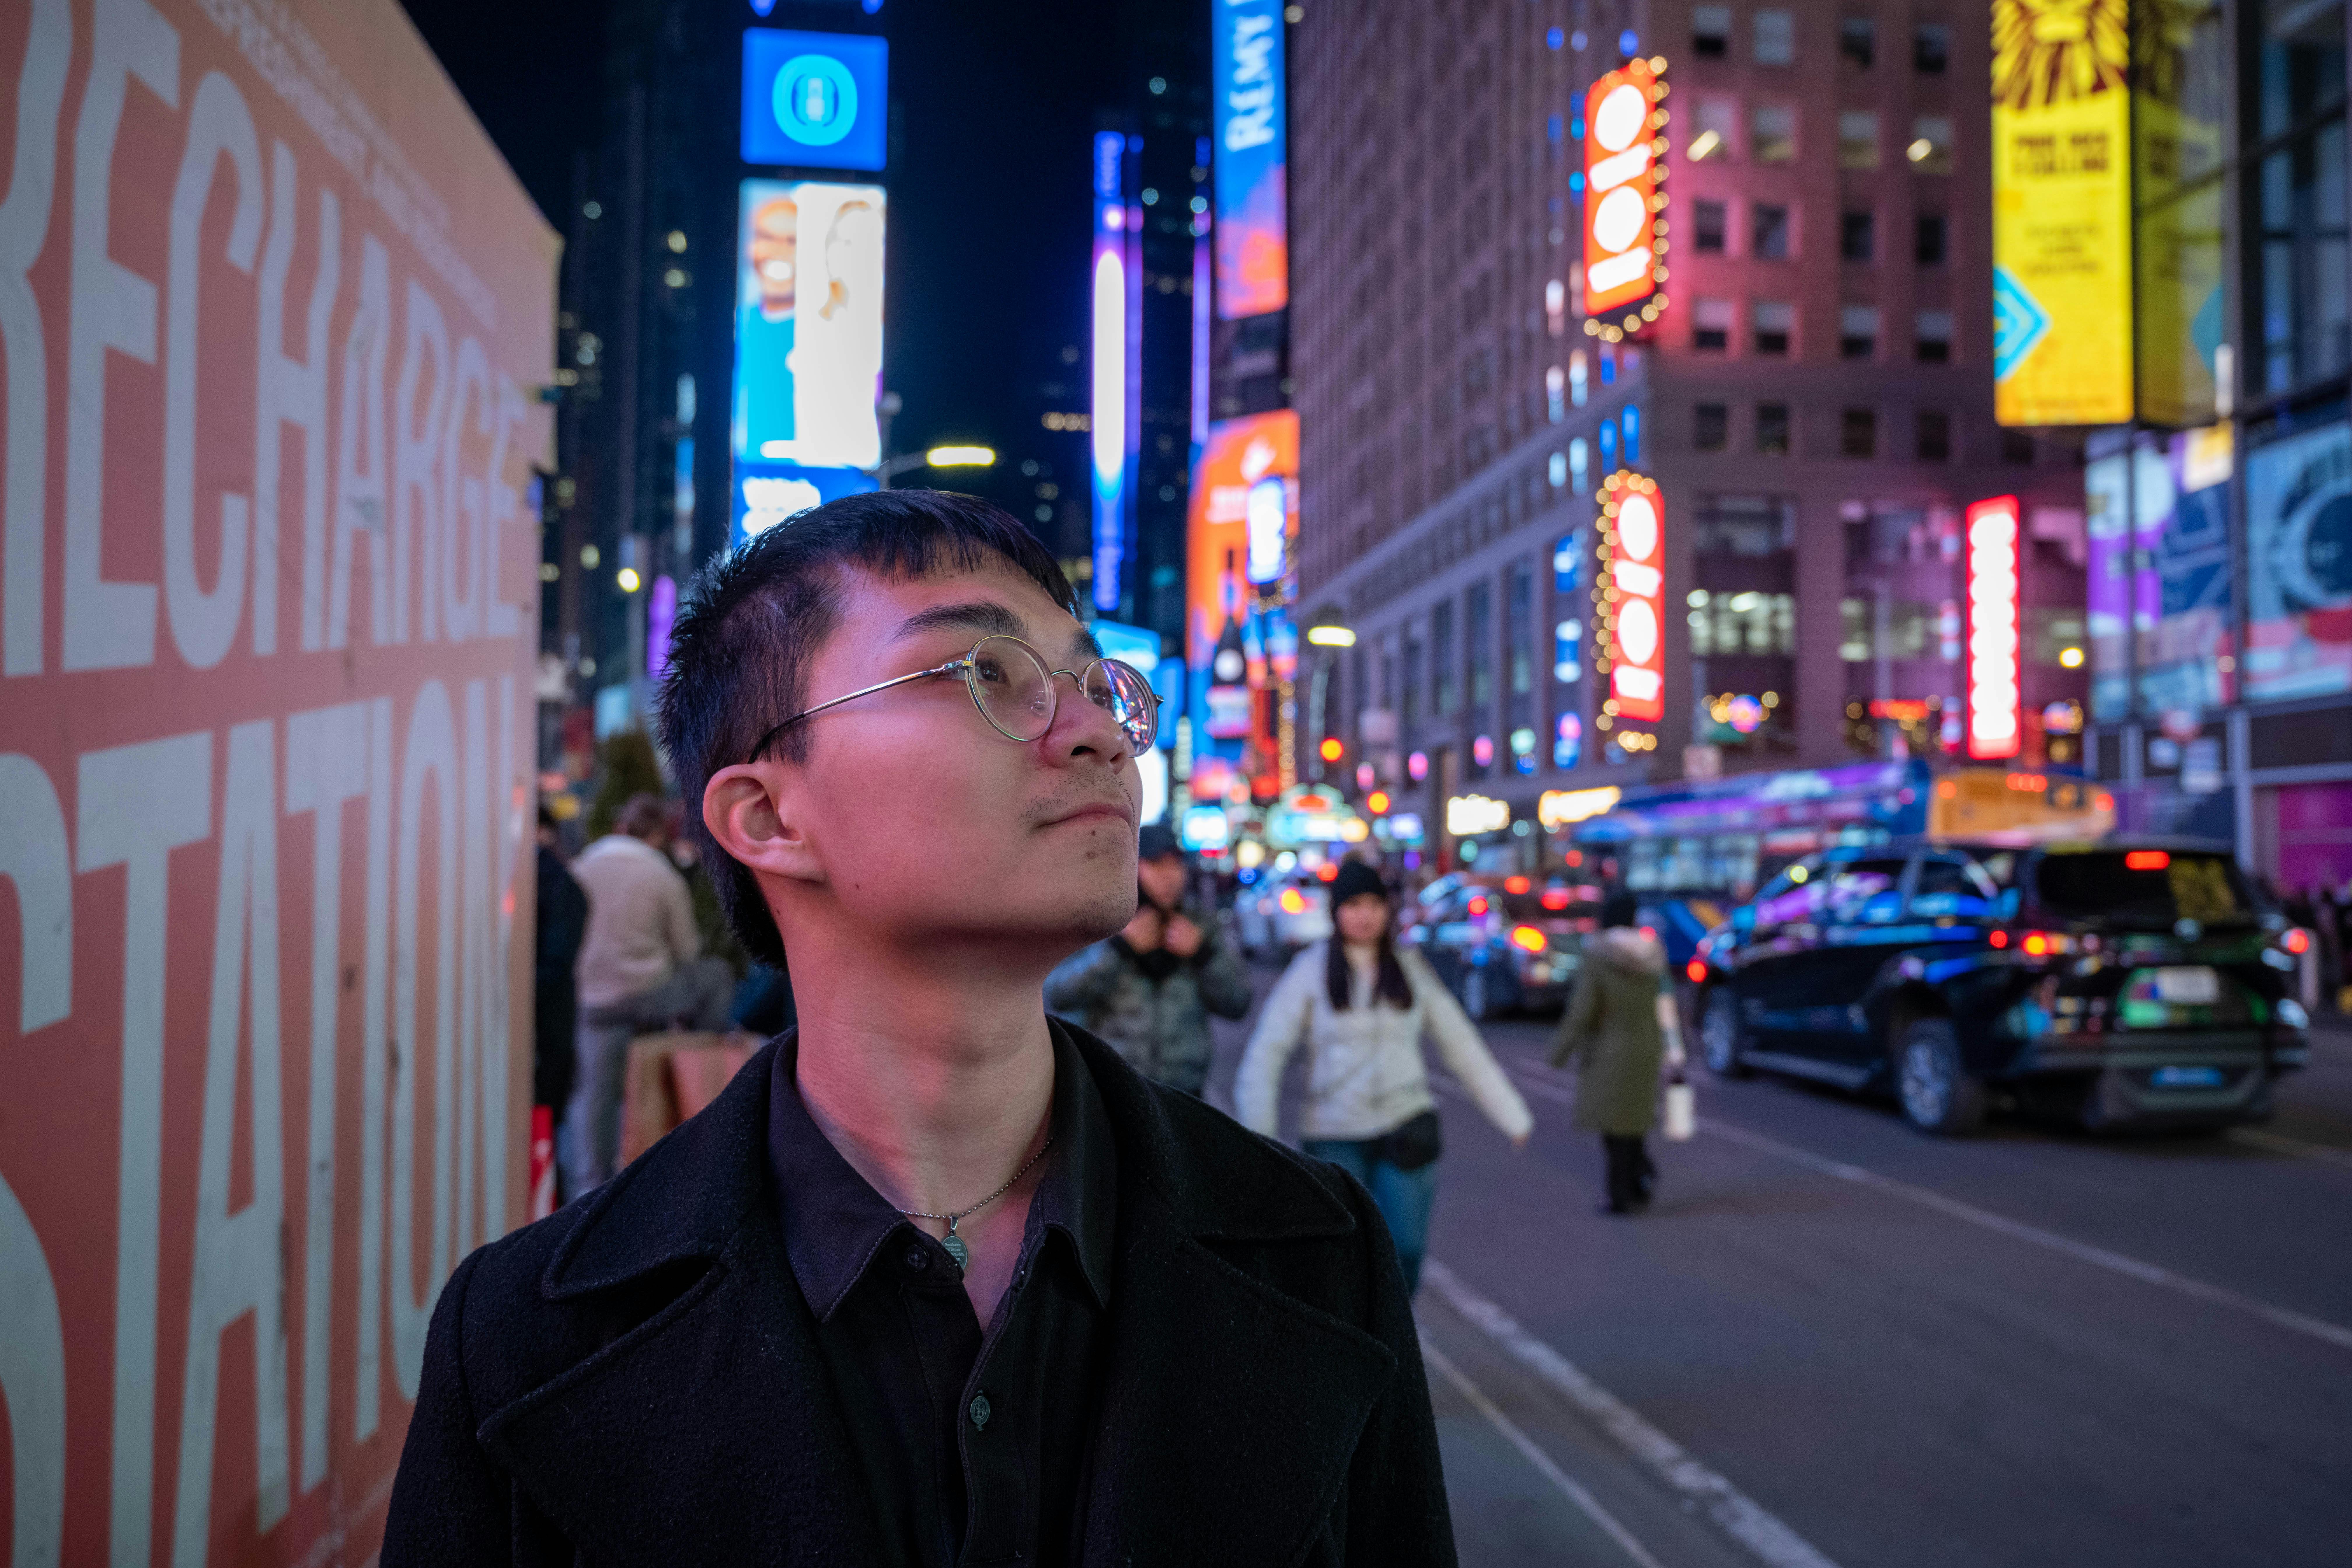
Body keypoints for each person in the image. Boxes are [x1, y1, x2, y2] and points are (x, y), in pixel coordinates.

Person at [385, 491, 1455, 1566]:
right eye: (982, 673)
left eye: (1095, 685)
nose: (1096, 735)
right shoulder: (525, 1337)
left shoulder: (1318, 1251)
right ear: (767, 816)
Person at [1235, 860, 1534, 1294]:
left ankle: (1396, 1346)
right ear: (1337, 911)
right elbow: (1267, 1054)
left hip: (1405, 1126)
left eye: (1375, 903)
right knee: (1342, 1262)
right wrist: (1257, 1139)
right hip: (1334, 1134)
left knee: (1406, 1251)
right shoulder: (1311, 970)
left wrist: (1511, 1115)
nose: (1365, 914)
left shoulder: (1409, 968)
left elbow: (1461, 1044)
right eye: (1353, 904)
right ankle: (1359, 1349)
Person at [562, 793, 735, 1195]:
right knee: (715, 975)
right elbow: (687, 950)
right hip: (647, 996)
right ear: (658, 835)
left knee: (594, 1096)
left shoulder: (582, 865)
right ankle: (698, 1056)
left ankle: (590, 1189)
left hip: (593, 1001)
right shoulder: (662, 876)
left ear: (621, 827)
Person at [1043, 821, 1253, 1096]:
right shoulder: (1105, 922)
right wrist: (1120, 949)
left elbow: (1238, 1004)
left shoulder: (1200, 925)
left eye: (1175, 864)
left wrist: (1203, 955)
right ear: (1134, 867)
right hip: (1112, 1091)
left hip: (1184, 1095)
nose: (1170, 877)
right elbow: (1059, 995)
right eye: (1156, 864)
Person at [1550, 889, 1675, 1215]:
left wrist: (1560, 1052)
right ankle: (1639, 1182)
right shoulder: (1653, 954)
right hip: (1646, 1048)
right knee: (1634, 1121)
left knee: (1613, 1127)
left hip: (1611, 1050)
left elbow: (1582, 1010)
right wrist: (1674, 1048)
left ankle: (1619, 1194)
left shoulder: (1599, 956)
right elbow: (1666, 1005)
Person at [533, 808, 590, 1154]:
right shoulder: (559, 881)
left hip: (532, 1032)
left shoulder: (533, 879)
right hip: (550, 1029)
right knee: (544, 1139)